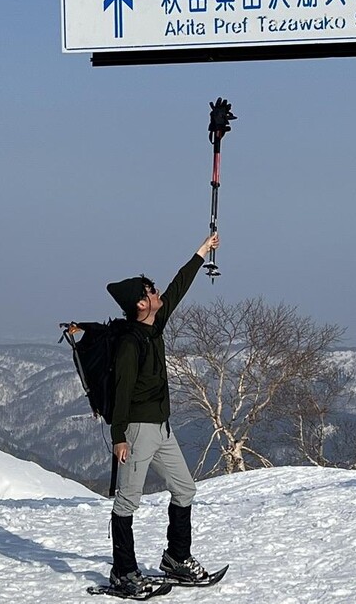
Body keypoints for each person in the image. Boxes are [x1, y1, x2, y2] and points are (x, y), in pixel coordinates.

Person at [102, 230, 219, 594]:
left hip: (161, 429)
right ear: (141, 304)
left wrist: (202, 251)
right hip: (137, 430)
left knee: (185, 489)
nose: (157, 293)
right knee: (127, 502)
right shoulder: (129, 344)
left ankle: (176, 559)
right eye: (151, 291)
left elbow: (178, 286)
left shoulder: (155, 326)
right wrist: (119, 437)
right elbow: (121, 394)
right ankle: (123, 572)